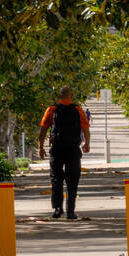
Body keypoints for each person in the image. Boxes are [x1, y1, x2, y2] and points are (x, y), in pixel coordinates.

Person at [38, 87, 91, 219]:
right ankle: (71, 211)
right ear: (71, 96)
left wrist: (40, 147)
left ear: (59, 97)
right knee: (72, 180)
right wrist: (87, 144)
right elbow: (85, 129)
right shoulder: (78, 110)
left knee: (56, 179)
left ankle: (57, 209)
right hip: (73, 149)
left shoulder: (51, 110)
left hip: (57, 149)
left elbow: (43, 130)